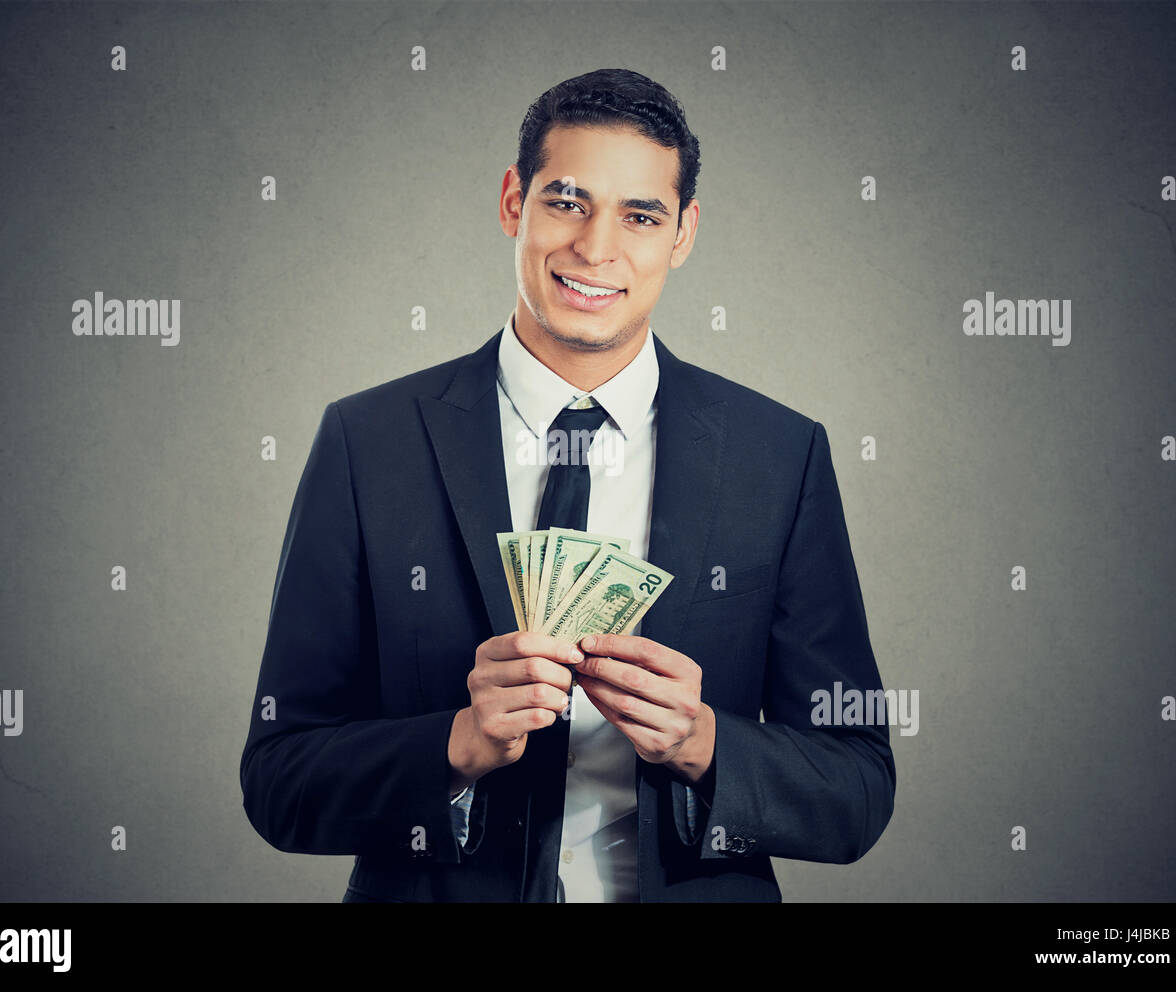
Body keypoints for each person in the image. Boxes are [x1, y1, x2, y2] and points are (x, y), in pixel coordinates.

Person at [239, 68, 895, 902]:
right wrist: (455, 744)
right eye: (567, 201)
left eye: (641, 215)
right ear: (515, 200)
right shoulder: (368, 442)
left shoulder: (780, 454)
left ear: (683, 233)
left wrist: (703, 744)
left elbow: (859, 790)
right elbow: (278, 778)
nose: (596, 249)